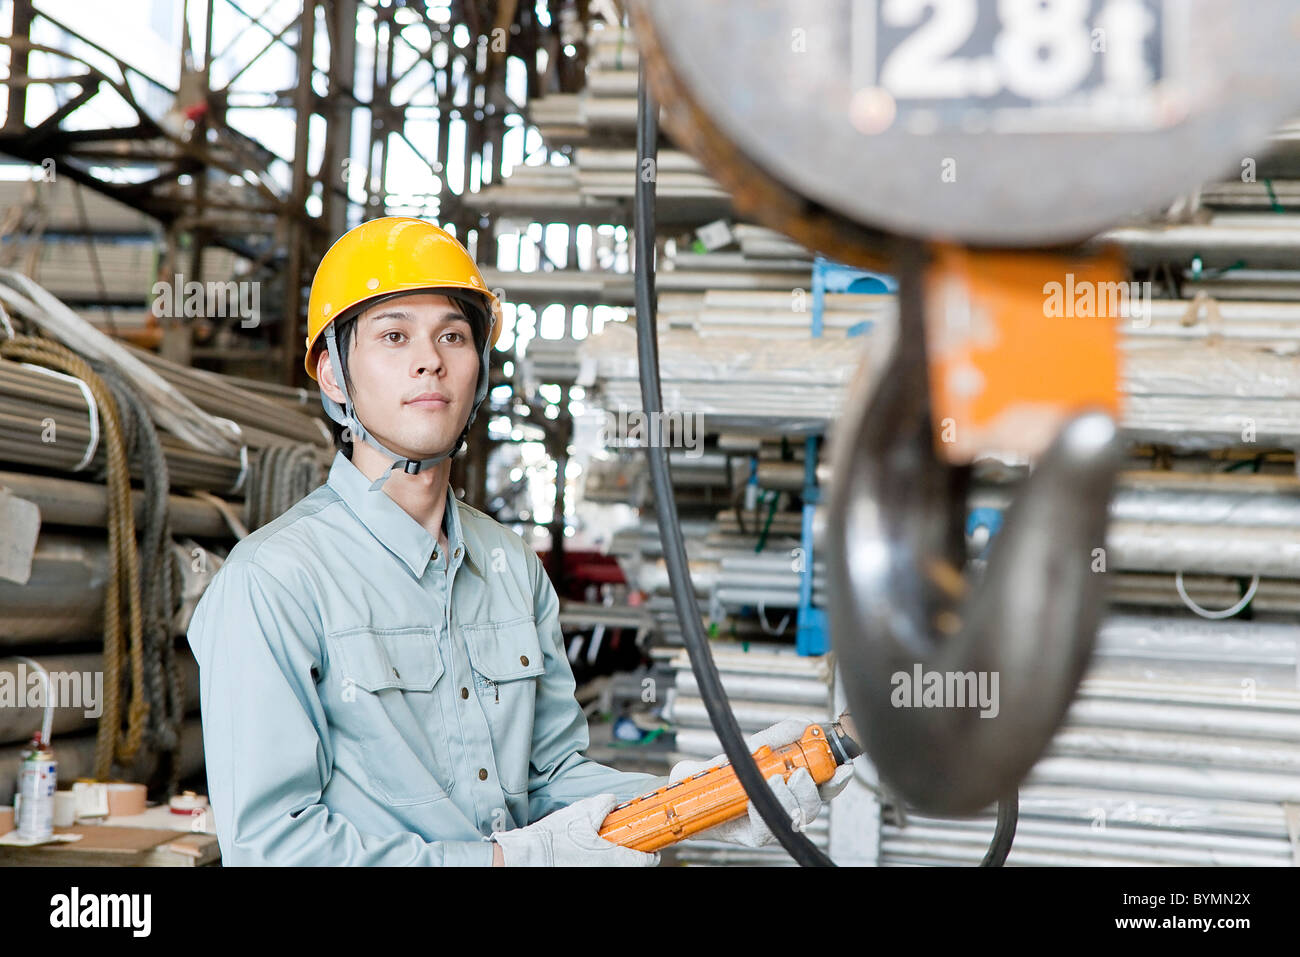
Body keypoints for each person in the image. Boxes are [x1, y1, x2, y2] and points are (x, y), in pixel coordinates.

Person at [186, 216, 851, 866]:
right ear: (333, 374)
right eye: (394, 336)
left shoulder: (508, 566)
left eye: (453, 335)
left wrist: (720, 796)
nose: (429, 361)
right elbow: (272, 847)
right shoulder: (272, 581)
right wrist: (503, 860)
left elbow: (554, 779)